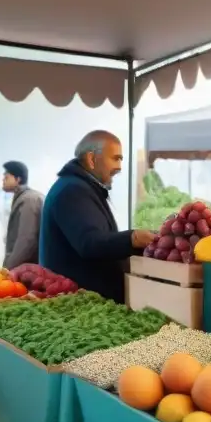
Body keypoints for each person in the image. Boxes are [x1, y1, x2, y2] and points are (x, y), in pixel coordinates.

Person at [40, 130, 154, 303]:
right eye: (115, 158)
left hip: (86, 304)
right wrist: (133, 238)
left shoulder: (80, 187)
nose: (119, 167)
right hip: (79, 307)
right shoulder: (72, 191)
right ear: (92, 159)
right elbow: (90, 243)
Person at [1, 160, 43, 270]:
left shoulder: (29, 200)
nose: (3, 180)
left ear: (18, 179)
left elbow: (27, 240)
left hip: (29, 272)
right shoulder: (24, 197)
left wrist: (8, 269)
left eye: (6, 177)